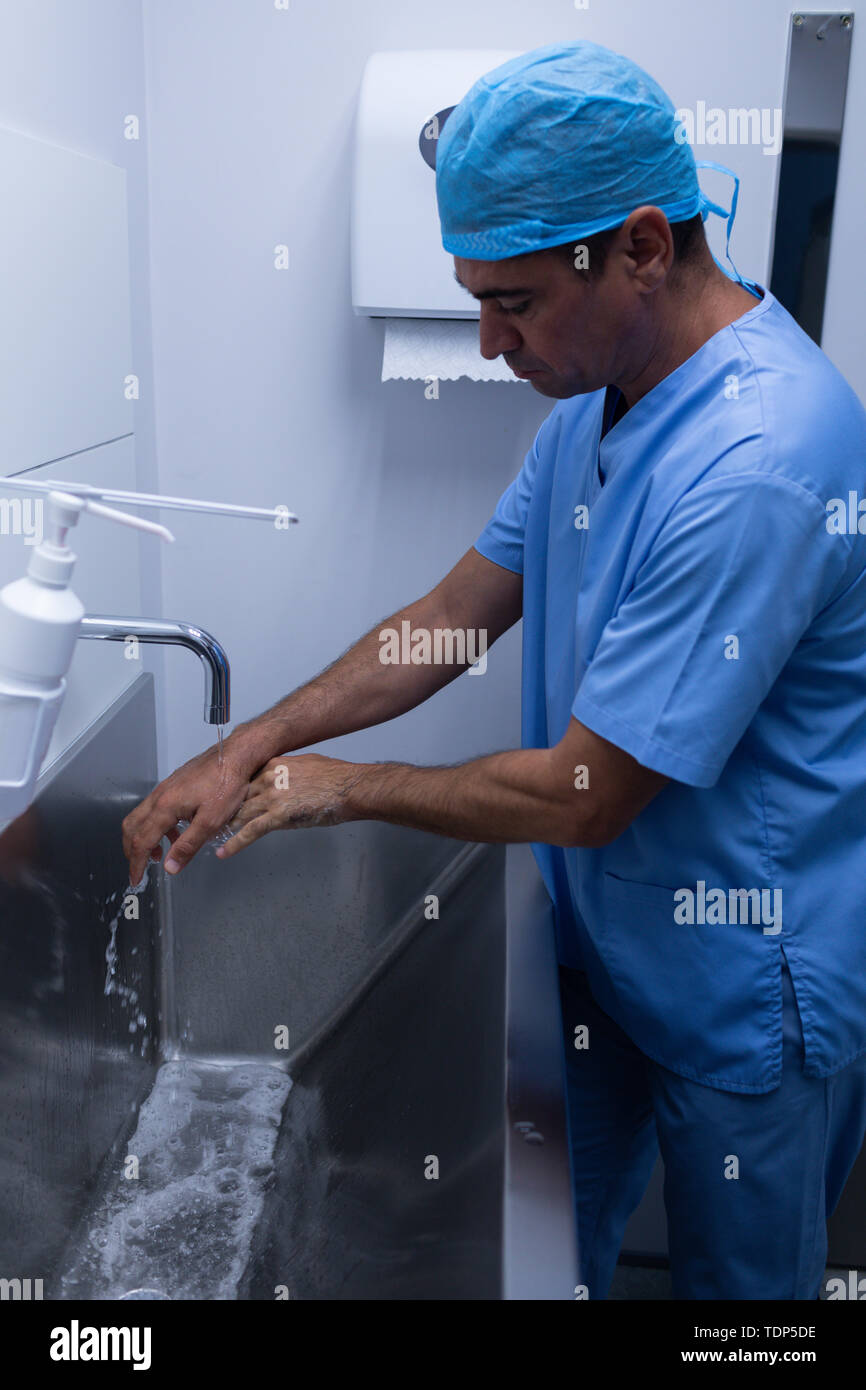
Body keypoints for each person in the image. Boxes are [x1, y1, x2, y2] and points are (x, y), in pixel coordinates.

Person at [123, 40, 866, 1299]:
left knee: (745, 1311)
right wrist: (245, 747)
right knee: (544, 1256)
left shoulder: (758, 461)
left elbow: (586, 792)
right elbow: (450, 617)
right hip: (605, 943)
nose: (482, 344)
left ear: (638, 247)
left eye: (510, 302)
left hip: (747, 980)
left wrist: (344, 787)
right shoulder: (594, 396)